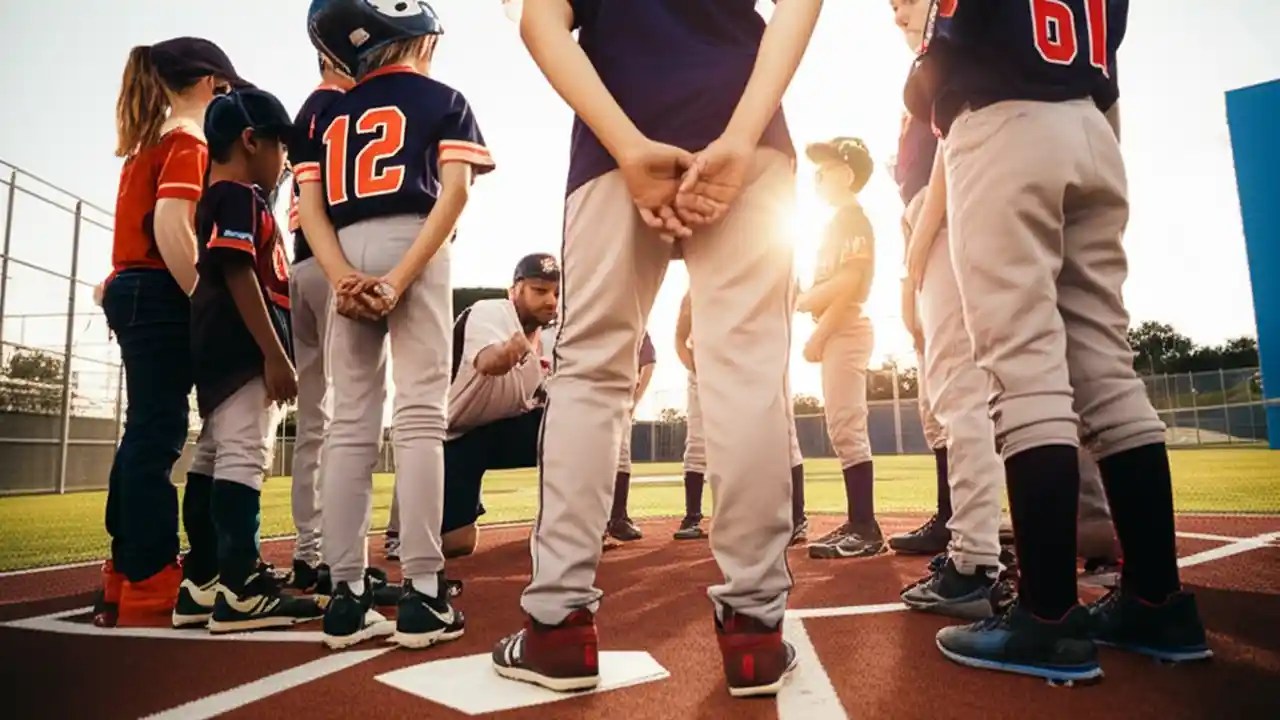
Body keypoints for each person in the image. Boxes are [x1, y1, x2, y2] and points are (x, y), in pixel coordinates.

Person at [494, 0, 822, 698]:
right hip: (745, 116)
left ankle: (559, 626)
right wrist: (740, 133)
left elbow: (538, 21)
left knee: (590, 371)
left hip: (618, 120)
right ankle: (756, 632)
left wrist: (627, 145)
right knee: (747, 372)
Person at [908, 0, 1210, 682]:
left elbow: (940, 52)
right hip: (1094, 125)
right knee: (1109, 368)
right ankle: (1157, 600)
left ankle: (1045, 615)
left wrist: (925, 79)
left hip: (1003, 118)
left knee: (1023, 366)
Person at [300, 0, 494, 651]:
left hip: (343, 251)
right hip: (416, 241)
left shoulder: (327, 113)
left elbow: (309, 210)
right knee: (418, 418)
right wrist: (401, 277)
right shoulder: (443, 98)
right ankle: (422, 590)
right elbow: (457, 193)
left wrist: (343, 276)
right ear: (418, 33)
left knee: (350, 423)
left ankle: (346, 593)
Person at [94, 37, 248, 629]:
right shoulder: (188, 139)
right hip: (159, 291)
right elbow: (171, 227)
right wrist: (204, 301)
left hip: (133, 289)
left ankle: (124, 566)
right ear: (211, 85)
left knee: (144, 430)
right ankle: (151, 573)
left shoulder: (146, 145)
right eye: (227, 92)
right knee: (158, 434)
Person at [177, 86, 326, 633]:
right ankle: (240, 586)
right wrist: (275, 355)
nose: (283, 159)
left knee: (213, 455)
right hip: (242, 351)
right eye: (279, 146)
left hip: (220, 348)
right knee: (243, 455)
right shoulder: (239, 195)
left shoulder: (220, 195)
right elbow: (240, 272)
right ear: (249, 141)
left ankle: (203, 579)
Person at [282, 52, 354, 592]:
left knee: (314, 418)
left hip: (299, 262)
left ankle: (308, 549)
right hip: (330, 259)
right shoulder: (341, 106)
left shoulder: (306, 109)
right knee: (345, 411)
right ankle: (333, 553)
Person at [796, 137, 881, 561]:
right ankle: (858, 520)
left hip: (846, 328)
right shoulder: (836, 224)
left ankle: (866, 527)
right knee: (840, 427)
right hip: (838, 329)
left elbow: (847, 285)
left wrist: (817, 330)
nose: (817, 177)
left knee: (848, 426)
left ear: (846, 174)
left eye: (824, 168)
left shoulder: (852, 219)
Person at [441, 253, 560, 556]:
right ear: (515, 290)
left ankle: (569, 529)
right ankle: (410, 527)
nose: (551, 301)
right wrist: (510, 350)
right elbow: (488, 363)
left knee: (579, 425)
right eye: (540, 290)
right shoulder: (491, 312)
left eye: (556, 293)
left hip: (507, 426)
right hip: (458, 435)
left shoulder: (556, 334)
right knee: (457, 545)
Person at [672, 290, 809, 544]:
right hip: (704, 373)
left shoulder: (750, 279)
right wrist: (694, 366)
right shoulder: (694, 293)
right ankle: (693, 517)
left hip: (749, 368)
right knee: (697, 442)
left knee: (779, 434)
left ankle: (796, 516)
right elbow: (680, 337)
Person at [605, 331, 655, 543]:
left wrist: (635, 400)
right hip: (604, 395)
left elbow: (649, 362)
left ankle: (616, 518)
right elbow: (649, 362)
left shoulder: (636, 325)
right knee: (617, 457)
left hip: (617, 396)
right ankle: (614, 519)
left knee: (619, 456)